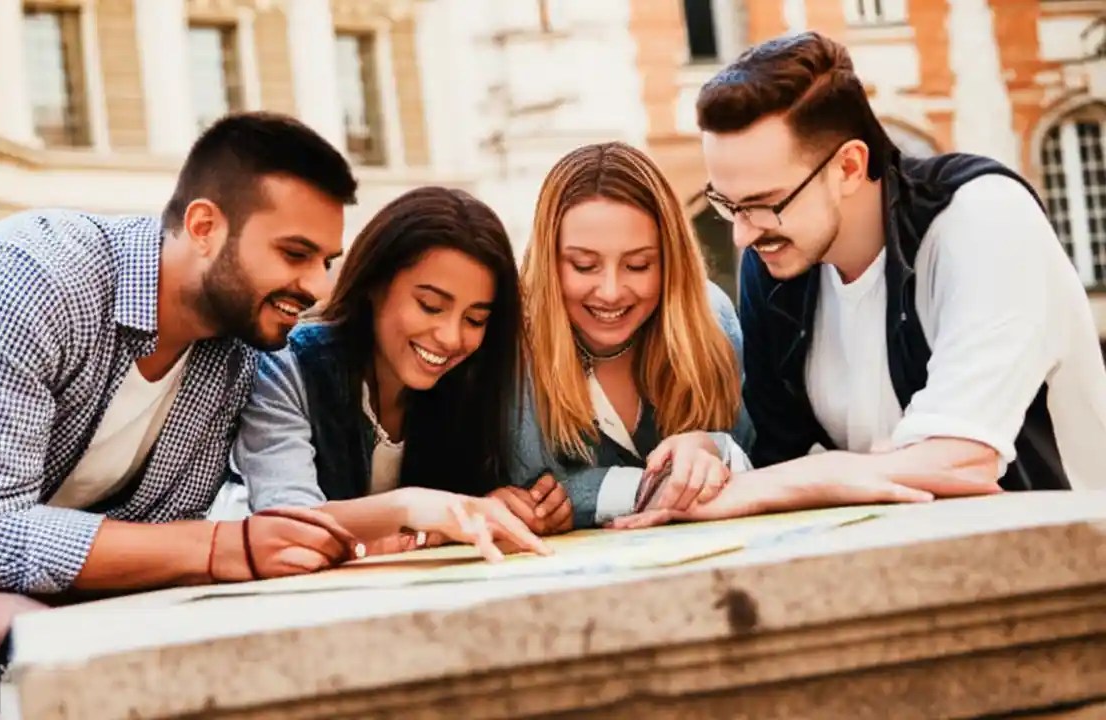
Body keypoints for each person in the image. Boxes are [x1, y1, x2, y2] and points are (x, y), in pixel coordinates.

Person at [0, 112, 366, 717]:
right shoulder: (31, 276)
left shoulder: (233, 359)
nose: (316, 287)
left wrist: (16, 599)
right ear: (205, 226)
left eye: (326, 261)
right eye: (295, 254)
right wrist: (223, 546)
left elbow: (143, 548)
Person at [697, 31, 1106, 495]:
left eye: (765, 203)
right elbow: (777, 455)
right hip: (897, 558)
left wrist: (817, 476)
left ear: (849, 167)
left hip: (1070, 553)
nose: (743, 233)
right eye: (727, 204)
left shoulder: (982, 215)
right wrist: (709, 450)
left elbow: (958, 462)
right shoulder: (775, 262)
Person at [513, 141, 935, 531]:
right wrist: (648, 488)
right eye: (584, 266)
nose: (610, 290)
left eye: (639, 265)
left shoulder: (709, 317)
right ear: (550, 261)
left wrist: (710, 447)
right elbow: (532, 489)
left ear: (671, 259)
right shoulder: (515, 345)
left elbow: (753, 458)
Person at [211, 186, 558, 559]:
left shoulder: (477, 377)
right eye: (430, 306)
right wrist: (411, 509)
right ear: (376, 283)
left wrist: (501, 505)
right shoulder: (288, 365)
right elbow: (291, 522)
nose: (451, 337)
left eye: (475, 319)